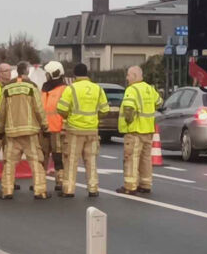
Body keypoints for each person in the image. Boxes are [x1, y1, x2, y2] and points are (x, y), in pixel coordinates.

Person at [0, 62, 50, 200]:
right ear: (27, 72)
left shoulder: (7, 88)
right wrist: (44, 126)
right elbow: (39, 109)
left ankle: (7, 191)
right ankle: (40, 191)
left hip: (12, 133)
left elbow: (1, 112)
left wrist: (0, 129)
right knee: (36, 161)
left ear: (16, 72)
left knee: (9, 163)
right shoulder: (32, 87)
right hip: (30, 132)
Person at [56, 62, 109, 198]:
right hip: (92, 130)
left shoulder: (71, 89)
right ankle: (93, 188)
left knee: (71, 160)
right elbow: (105, 110)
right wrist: (94, 118)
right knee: (91, 160)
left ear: (74, 75)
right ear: (87, 74)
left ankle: (68, 189)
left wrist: (69, 116)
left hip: (75, 130)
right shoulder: (97, 89)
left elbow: (61, 109)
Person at [116, 65, 162, 195]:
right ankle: (145, 184)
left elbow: (129, 110)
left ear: (135, 76)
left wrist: (128, 122)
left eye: (129, 75)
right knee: (146, 159)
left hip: (135, 131)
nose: (127, 78)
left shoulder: (132, 90)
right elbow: (159, 102)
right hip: (148, 131)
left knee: (131, 158)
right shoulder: (149, 89)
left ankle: (130, 186)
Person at [40, 61, 67, 195]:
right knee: (42, 157)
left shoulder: (64, 89)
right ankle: (40, 183)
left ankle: (60, 181)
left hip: (57, 129)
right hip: (44, 129)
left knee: (58, 157)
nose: (45, 76)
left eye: (47, 74)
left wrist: (64, 127)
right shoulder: (44, 89)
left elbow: (66, 110)